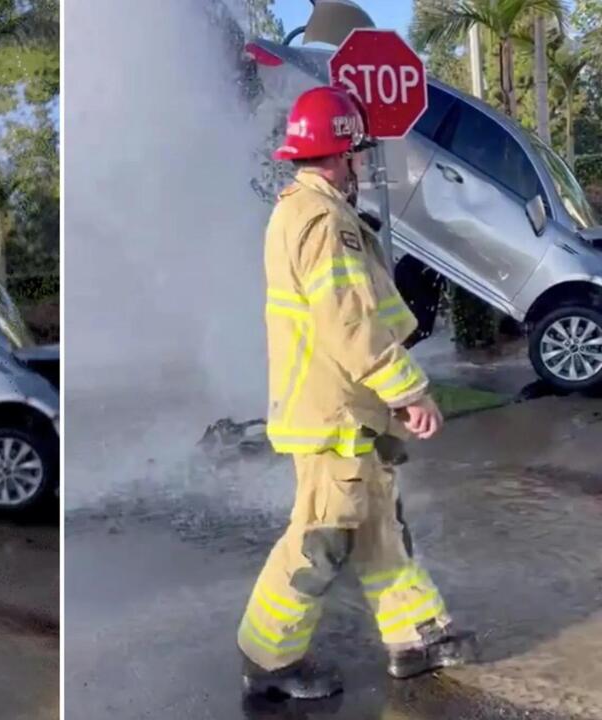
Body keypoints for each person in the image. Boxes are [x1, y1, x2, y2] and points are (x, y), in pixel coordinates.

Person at [237, 85, 476, 700]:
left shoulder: (308, 212)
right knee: (321, 537)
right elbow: (351, 325)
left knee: (377, 527)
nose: (364, 165)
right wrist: (409, 392)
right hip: (332, 414)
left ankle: (416, 637)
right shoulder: (321, 220)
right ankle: (269, 658)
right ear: (341, 154)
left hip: (344, 410)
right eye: (359, 153)